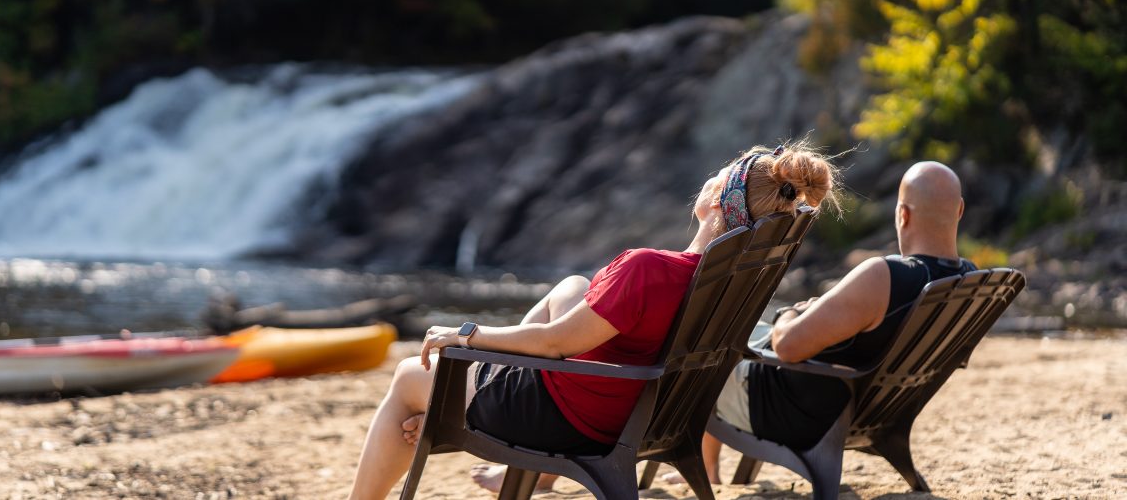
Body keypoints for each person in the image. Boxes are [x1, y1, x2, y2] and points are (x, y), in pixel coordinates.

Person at [347, 141, 839, 500]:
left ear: (715, 201)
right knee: (572, 288)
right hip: (647, 413)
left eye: (717, 174)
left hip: (579, 417)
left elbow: (555, 345)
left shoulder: (649, 268)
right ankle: (499, 426)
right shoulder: (737, 278)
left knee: (412, 375)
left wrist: (468, 334)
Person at [661, 160, 975, 486]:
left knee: (700, 342)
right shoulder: (969, 282)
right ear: (960, 210)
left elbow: (786, 346)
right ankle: (709, 466)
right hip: (873, 411)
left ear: (902, 215)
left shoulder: (886, 276)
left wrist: (793, 313)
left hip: (793, 410)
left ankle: (693, 463)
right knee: (742, 331)